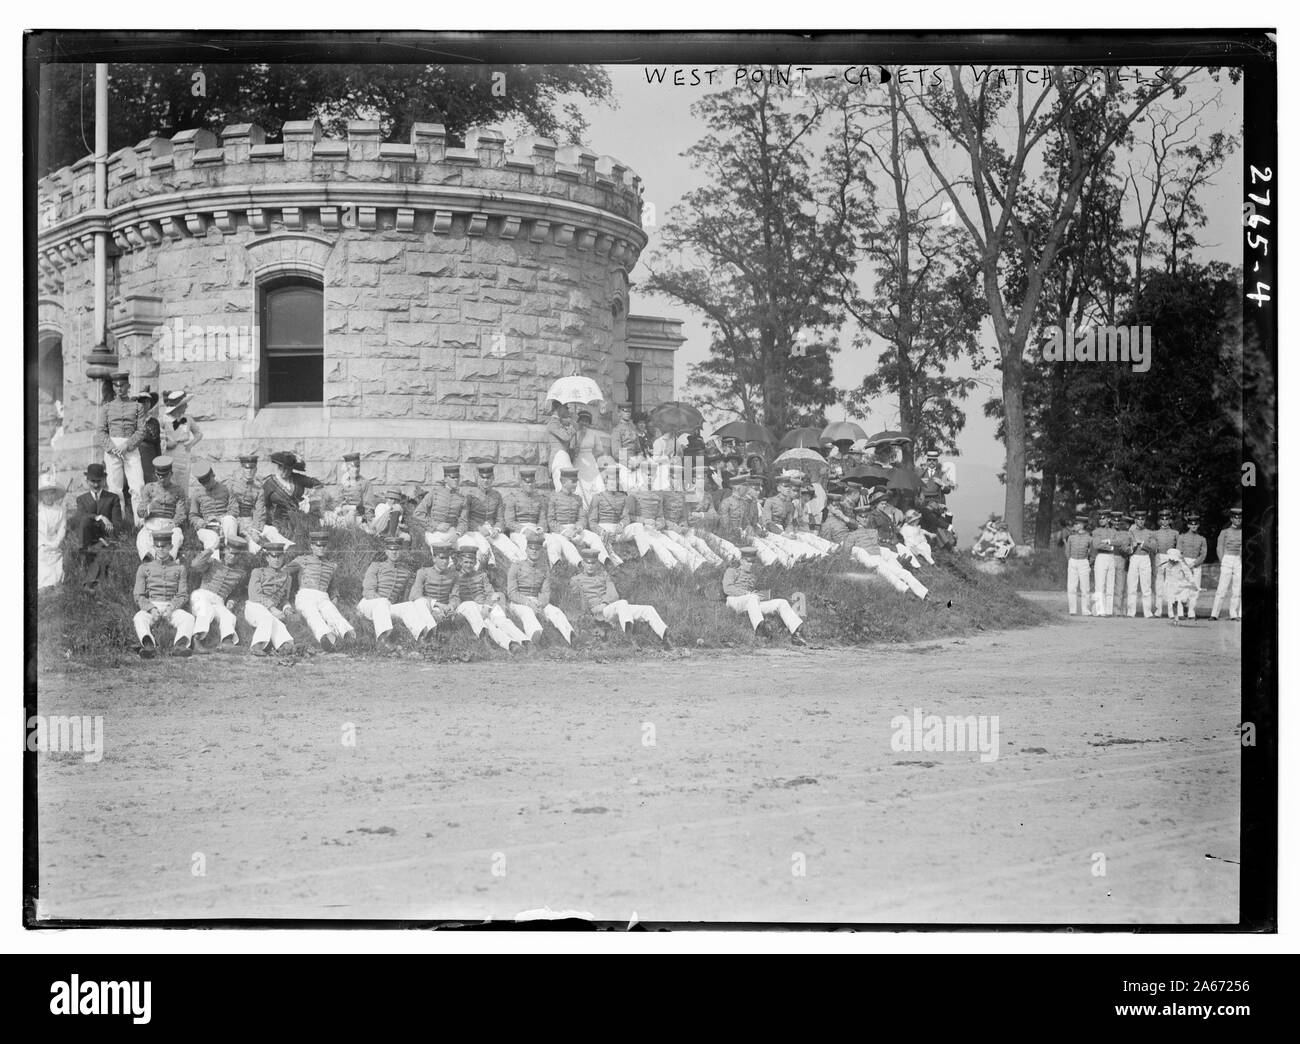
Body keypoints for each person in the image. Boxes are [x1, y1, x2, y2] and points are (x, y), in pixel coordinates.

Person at [571, 547, 671, 647]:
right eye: (588, 563)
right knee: (622, 603)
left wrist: (605, 603)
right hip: (598, 613)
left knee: (648, 609)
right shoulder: (576, 579)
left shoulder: (603, 575)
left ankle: (665, 637)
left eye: (593, 563)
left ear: (597, 563)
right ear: (583, 563)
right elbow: (576, 601)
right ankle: (628, 638)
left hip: (610, 608)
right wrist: (590, 610)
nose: (590, 566)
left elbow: (613, 593)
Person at [358, 537, 435, 646]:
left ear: (401, 551)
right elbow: (368, 591)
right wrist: (382, 601)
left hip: (386, 608)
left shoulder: (405, 572)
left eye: (397, 550)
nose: (394, 552)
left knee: (408, 606)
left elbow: (405, 597)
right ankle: (383, 640)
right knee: (383, 602)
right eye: (391, 549)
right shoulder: (376, 566)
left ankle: (422, 637)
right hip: (368, 605)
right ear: (386, 551)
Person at [287, 531, 357, 651]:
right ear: (312, 546)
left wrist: (335, 598)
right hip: (305, 595)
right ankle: (326, 639)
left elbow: (333, 587)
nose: (321, 548)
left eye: (323, 546)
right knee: (312, 614)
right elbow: (284, 571)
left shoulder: (331, 566)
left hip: (324, 597)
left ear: (327, 547)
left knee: (333, 614)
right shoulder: (302, 560)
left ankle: (349, 638)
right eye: (318, 545)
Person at [722, 547, 807, 644]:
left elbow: (752, 594)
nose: (751, 564)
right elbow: (727, 589)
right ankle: (760, 633)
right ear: (741, 561)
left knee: (781, 602)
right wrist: (748, 594)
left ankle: (796, 633)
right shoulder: (731, 571)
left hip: (750, 603)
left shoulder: (753, 576)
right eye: (748, 562)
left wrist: (761, 595)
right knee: (752, 597)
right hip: (734, 601)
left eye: (753, 562)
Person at [132, 527, 195, 657]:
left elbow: (182, 594)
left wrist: (172, 607)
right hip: (152, 604)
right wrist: (150, 609)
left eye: (164, 546)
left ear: (171, 546)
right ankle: (149, 646)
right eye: (158, 546)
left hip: (170, 605)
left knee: (188, 618)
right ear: (154, 547)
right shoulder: (144, 568)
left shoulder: (180, 568)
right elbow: (138, 595)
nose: (161, 549)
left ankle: (180, 645)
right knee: (139, 617)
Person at [843, 503, 928, 599]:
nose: (865, 519)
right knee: (891, 576)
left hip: (880, 559)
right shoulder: (852, 535)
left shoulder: (873, 532)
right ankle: (911, 596)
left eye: (867, 516)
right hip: (871, 562)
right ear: (857, 518)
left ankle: (925, 595)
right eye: (862, 517)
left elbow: (879, 546)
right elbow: (845, 553)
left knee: (904, 573)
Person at [505, 531, 575, 645]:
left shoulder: (544, 569)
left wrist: (540, 604)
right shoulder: (516, 566)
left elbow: (545, 592)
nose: (534, 551)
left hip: (537, 601)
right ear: (526, 550)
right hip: (518, 603)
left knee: (556, 611)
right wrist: (528, 602)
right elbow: (512, 593)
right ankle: (533, 641)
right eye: (531, 549)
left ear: (541, 552)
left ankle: (572, 638)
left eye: (537, 549)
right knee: (528, 612)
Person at [454, 544, 528, 651]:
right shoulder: (455, 577)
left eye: (471, 562)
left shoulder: (481, 575)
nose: (469, 565)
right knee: (476, 612)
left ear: (475, 562)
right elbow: (454, 596)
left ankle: (525, 641)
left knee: (502, 621)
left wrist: (487, 606)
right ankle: (510, 644)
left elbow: (490, 593)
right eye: (466, 562)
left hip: (485, 605)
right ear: (460, 562)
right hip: (468, 610)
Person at [97, 371, 147, 524]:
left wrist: (127, 445)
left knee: (138, 486)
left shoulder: (138, 406)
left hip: (130, 448)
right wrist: (112, 448)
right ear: (113, 387)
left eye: (122, 385)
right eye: (116, 386)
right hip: (112, 449)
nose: (119, 389)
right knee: (114, 488)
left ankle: (140, 525)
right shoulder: (106, 408)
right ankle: (119, 524)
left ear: (128, 386)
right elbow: (100, 431)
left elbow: (141, 430)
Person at [70, 462, 123, 589]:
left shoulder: (113, 498)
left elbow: (117, 524)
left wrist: (106, 538)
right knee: (85, 520)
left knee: (101, 552)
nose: (95, 484)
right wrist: (100, 517)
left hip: (105, 539)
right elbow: (80, 518)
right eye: (92, 481)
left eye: (98, 481)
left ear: (104, 480)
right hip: (87, 539)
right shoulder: (82, 499)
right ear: (87, 481)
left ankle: (91, 585)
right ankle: (90, 582)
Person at [254, 450, 322, 546]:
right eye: (282, 468)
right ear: (277, 467)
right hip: (279, 522)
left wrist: (309, 496)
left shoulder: (297, 478)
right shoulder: (269, 484)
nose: (285, 472)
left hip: (300, 517)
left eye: (288, 469)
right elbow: (262, 506)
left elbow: (317, 484)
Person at [190, 536, 248, 647]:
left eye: (236, 554)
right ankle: (197, 640)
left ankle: (227, 642)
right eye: (230, 552)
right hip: (202, 595)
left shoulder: (240, 573)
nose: (232, 556)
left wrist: (232, 601)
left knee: (229, 616)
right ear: (225, 551)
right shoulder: (213, 563)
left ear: (240, 556)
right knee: (205, 610)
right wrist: (212, 548)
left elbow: (236, 593)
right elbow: (195, 565)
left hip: (219, 601)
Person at [244, 540, 299, 656]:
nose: (276, 559)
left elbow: (284, 599)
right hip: (254, 606)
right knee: (267, 617)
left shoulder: (287, 577)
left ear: (283, 557)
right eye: (273, 556)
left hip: (270, 612)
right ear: (267, 558)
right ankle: (256, 646)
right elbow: (254, 595)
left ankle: (285, 646)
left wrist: (286, 608)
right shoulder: (258, 572)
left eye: (279, 556)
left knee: (277, 623)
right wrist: (273, 608)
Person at [462, 464, 524, 564]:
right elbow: (464, 518)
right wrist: (478, 528)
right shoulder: (470, 494)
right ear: (478, 478)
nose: (485, 480)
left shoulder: (497, 495)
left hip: (492, 530)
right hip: (474, 531)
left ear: (493, 478)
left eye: (488, 477)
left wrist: (497, 529)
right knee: (484, 551)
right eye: (482, 477)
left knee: (512, 549)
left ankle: (521, 571)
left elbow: (500, 519)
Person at [134, 456, 186, 560]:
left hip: (169, 523)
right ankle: (148, 559)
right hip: (151, 523)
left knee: (177, 534)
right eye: (159, 475)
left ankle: (169, 559)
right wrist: (149, 507)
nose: (161, 478)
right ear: (155, 474)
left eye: (165, 475)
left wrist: (172, 524)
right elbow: (140, 511)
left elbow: (181, 514)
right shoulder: (149, 488)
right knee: (142, 536)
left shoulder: (178, 490)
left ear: (171, 473)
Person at [409, 533, 462, 635]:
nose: (445, 561)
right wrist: (437, 604)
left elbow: (455, 595)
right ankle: (430, 632)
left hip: (446, 608)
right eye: (442, 558)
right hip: (428, 607)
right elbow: (415, 596)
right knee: (420, 603)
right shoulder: (423, 572)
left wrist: (452, 605)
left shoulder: (454, 575)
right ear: (434, 558)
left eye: (447, 558)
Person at [584, 459, 630, 566]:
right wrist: (601, 531)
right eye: (610, 480)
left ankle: (646, 555)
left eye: (615, 480)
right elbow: (592, 521)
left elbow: (626, 517)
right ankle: (611, 561)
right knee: (601, 539)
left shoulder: (623, 497)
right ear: (605, 481)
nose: (613, 483)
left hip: (618, 530)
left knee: (637, 527)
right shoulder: (598, 497)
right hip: (604, 528)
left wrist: (622, 524)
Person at [413, 464, 468, 549]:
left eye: (457, 477)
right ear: (445, 479)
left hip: (452, 532)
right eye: (453, 477)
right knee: (441, 552)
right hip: (434, 532)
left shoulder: (462, 499)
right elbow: (418, 513)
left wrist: (458, 534)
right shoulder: (434, 493)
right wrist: (436, 525)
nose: (456, 480)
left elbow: (463, 521)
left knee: (468, 546)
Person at [544, 467, 589, 567]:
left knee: (593, 537)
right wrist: (564, 531)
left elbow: (582, 517)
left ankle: (608, 561)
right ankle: (579, 564)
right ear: (563, 482)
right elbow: (551, 521)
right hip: (559, 531)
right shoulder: (554, 498)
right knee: (567, 545)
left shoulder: (578, 498)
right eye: (573, 482)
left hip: (575, 530)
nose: (575, 484)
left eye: (576, 481)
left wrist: (579, 526)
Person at [189, 465, 240, 552]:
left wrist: (219, 518)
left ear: (213, 475)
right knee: (211, 537)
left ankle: (231, 553)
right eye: (203, 482)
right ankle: (214, 562)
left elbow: (234, 510)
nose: (206, 485)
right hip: (207, 528)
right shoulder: (197, 493)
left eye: (208, 481)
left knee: (230, 519)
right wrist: (198, 521)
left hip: (224, 525)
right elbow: (193, 515)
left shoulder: (226, 489)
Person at [502, 467, 548, 554]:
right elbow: (509, 522)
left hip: (536, 529)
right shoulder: (513, 498)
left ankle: (554, 566)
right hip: (518, 532)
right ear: (521, 483)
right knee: (527, 546)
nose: (529, 485)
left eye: (531, 482)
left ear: (535, 483)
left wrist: (540, 528)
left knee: (553, 542)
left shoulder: (539, 499)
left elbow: (542, 519)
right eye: (527, 482)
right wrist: (524, 530)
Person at [1210, 506, 1243, 621]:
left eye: (1240, 518)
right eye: (1236, 518)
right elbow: (1219, 547)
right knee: (1222, 587)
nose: (1238, 520)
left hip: (1238, 560)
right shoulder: (1224, 532)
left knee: (1237, 588)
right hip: (1227, 559)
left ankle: (1233, 613)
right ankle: (1214, 614)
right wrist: (1222, 560)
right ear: (1231, 519)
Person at [37, 473, 67, 590]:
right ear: (41, 495)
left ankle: (53, 585)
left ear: (55, 495)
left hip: (55, 545)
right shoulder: (37, 510)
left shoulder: (60, 510)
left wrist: (56, 543)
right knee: (41, 561)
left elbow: (62, 529)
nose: (49, 496)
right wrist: (41, 545)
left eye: (51, 493)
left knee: (56, 566)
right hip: (40, 545)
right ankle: (42, 586)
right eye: (46, 494)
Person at [1124, 508, 1156, 618]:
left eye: (1143, 520)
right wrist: (1132, 547)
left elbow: (1154, 547)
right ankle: (1130, 612)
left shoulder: (1149, 533)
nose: (1141, 522)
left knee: (1146, 587)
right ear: (1135, 520)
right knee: (1132, 586)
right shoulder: (1130, 532)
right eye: (1138, 519)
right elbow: (1125, 547)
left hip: (1145, 558)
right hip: (1134, 558)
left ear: (1145, 520)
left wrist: (1143, 543)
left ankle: (1148, 612)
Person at [1176, 512, 1208, 619]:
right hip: (1184, 564)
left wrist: (1194, 564)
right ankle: (1180, 612)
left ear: (1198, 525)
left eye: (1196, 524)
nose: (1193, 526)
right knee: (1182, 588)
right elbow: (1178, 552)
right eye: (1191, 524)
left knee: (1194, 589)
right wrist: (1185, 565)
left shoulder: (1202, 539)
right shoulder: (1182, 537)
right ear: (1188, 525)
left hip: (1196, 565)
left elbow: (1203, 554)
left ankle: (1191, 612)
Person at [228, 454, 263, 552]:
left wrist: (256, 529)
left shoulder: (259, 489)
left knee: (270, 532)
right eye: (246, 468)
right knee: (246, 535)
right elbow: (228, 504)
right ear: (242, 468)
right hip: (235, 518)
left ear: (256, 469)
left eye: (252, 468)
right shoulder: (232, 485)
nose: (249, 471)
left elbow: (260, 511)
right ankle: (256, 552)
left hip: (250, 519)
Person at [328, 452, 372, 528]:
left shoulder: (365, 483)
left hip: (358, 516)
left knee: (351, 517)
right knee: (327, 516)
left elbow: (369, 505)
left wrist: (369, 521)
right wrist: (336, 510)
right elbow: (337, 501)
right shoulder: (343, 482)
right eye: (352, 467)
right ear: (347, 468)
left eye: (358, 466)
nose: (356, 469)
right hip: (343, 514)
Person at [572, 409, 605, 508]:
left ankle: (595, 506)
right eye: (582, 420)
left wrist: (592, 457)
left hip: (590, 460)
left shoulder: (594, 434)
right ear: (578, 421)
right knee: (581, 484)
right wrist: (580, 437)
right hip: (579, 460)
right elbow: (573, 449)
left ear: (589, 422)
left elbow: (600, 450)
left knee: (595, 483)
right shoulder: (575, 434)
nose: (584, 423)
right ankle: (583, 507)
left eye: (586, 421)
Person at [1151, 508, 1181, 616]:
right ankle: (1158, 610)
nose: (1164, 522)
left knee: (1170, 585)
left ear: (1170, 521)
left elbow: (1178, 547)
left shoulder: (1175, 533)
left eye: (1167, 519)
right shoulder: (1155, 533)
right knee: (1159, 584)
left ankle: (1170, 611)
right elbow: (1153, 547)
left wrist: (1176, 558)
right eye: (1162, 519)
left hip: (1171, 558)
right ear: (1159, 521)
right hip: (1159, 558)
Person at [1158, 547, 1199, 624]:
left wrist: (1193, 584)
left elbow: (1188, 575)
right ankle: (1175, 618)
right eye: (1170, 560)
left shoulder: (1182, 566)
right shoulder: (1166, 565)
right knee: (1173, 602)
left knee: (1184, 600)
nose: (1172, 561)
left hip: (1181, 585)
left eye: (1173, 560)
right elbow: (1160, 569)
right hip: (1171, 586)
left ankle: (1185, 608)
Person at [1064, 514, 1093, 616]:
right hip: (1073, 561)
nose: (1074, 526)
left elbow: (1093, 552)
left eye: (1076, 524)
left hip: (1084, 562)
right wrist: (1070, 560)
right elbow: (1067, 551)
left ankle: (1085, 610)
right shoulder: (1071, 538)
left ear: (1081, 525)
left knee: (1085, 587)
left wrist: (1088, 563)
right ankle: (1072, 610)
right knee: (1071, 587)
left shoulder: (1089, 538)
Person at [1090, 510, 1118, 616]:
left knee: (1110, 585)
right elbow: (1097, 545)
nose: (1101, 520)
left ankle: (1109, 610)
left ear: (1108, 519)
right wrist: (1110, 546)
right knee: (1100, 585)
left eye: (1104, 518)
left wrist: (1108, 541)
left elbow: (1119, 542)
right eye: (1100, 518)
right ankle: (1099, 610)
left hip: (1111, 557)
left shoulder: (1113, 531)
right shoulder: (1096, 531)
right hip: (1101, 557)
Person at [545, 403, 577, 491]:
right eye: (565, 408)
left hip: (563, 457)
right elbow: (566, 437)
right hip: (557, 459)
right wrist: (573, 426)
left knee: (571, 486)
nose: (567, 410)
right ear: (559, 408)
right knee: (563, 487)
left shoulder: (560, 423)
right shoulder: (553, 424)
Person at [610, 402, 641, 491]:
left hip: (636, 463)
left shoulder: (633, 429)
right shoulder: (617, 430)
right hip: (623, 464)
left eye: (629, 411)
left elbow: (638, 448)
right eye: (625, 411)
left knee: (641, 487)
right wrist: (629, 463)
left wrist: (639, 458)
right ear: (619, 413)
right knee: (629, 488)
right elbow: (616, 452)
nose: (628, 413)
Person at [134, 386, 162, 484]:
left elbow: (157, 443)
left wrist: (159, 461)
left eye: (147, 402)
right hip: (136, 456)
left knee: (151, 483)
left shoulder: (154, 421)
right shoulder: (132, 421)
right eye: (142, 402)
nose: (145, 404)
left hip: (151, 457)